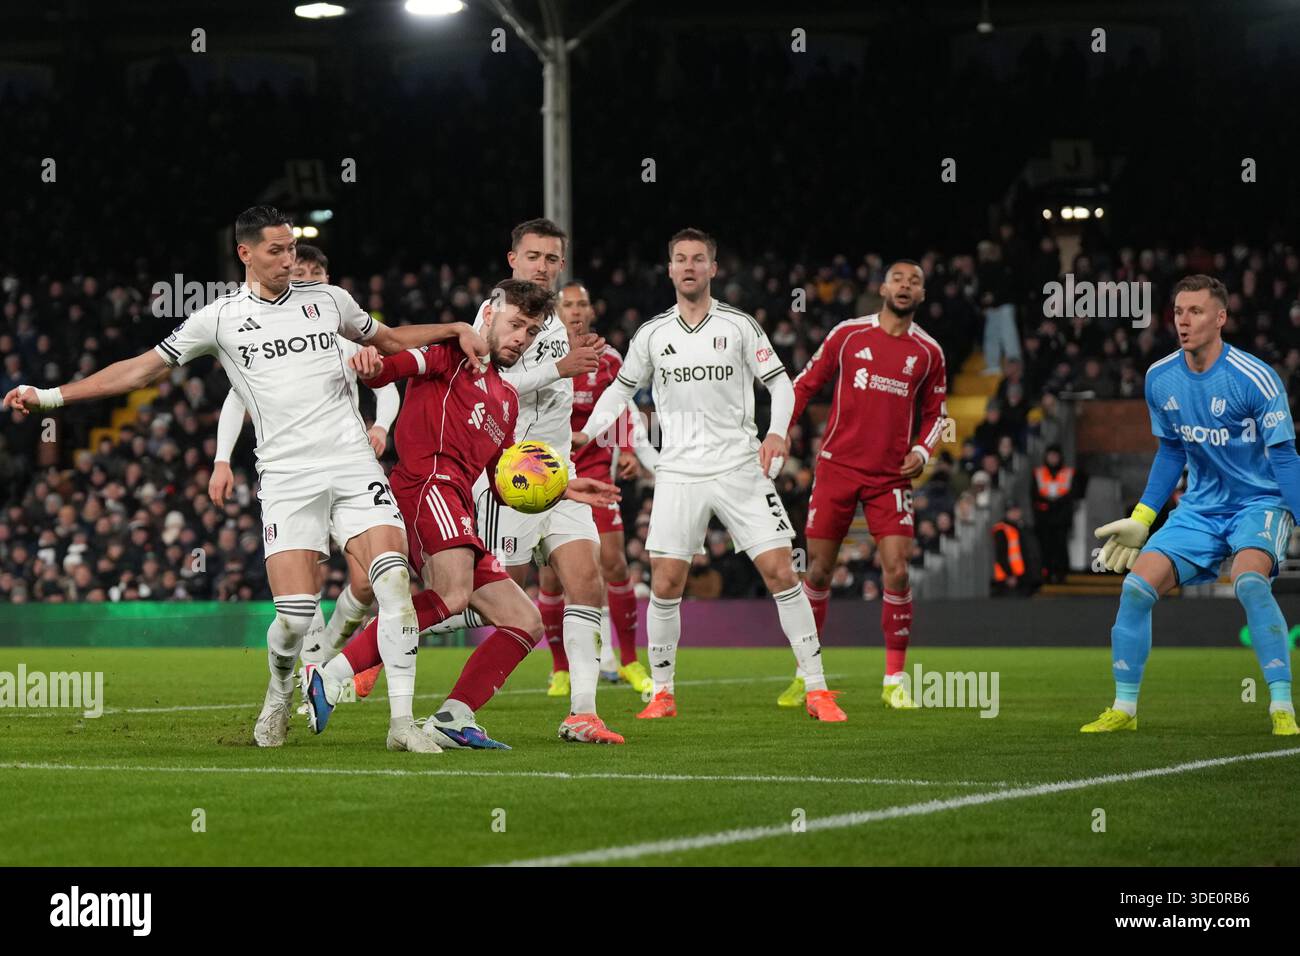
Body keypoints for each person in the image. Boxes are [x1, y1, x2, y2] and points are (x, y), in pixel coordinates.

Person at [3, 205, 480, 752]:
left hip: (352, 465)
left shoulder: (331, 302)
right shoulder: (219, 319)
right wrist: (51, 397)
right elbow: (140, 369)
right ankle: (279, 693)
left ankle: (402, 726)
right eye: (275, 251)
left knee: (393, 581)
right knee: (296, 619)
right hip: (286, 479)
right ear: (245, 254)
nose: (288, 261)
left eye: (292, 250)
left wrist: (453, 328)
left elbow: (392, 341)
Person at [305, 279, 623, 749]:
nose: (522, 337)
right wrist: (370, 363)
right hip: (425, 487)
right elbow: (384, 368)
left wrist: (566, 487)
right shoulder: (449, 354)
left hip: (461, 505)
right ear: (490, 316)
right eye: (515, 324)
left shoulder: (506, 398)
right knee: (451, 594)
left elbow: (504, 476)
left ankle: (454, 716)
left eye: (532, 331)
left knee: (524, 620)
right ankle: (333, 673)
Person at [576, 228, 844, 722]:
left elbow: (781, 384)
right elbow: (618, 392)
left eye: (699, 259)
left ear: (713, 269)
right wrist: (585, 435)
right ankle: (662, 691)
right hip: (679, 470)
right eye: (681, 259)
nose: (690, 267)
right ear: (671, 269)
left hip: (740, 465)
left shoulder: (740, 326)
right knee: (666, 581)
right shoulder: (653, 334)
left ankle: (817, 688)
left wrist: (777, 432)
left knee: (781, 570)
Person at [1086, 275, 1298, 736]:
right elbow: (1171, 451)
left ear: (1220, 317)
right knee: (1136, 589)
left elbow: (1284, 456)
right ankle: (1125, 708)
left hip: (1258, 502)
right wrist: (1143, 517)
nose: (1184, 321)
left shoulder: (1255, 378)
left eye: (1196, 311)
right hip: (1200, 508)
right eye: (1179, 311)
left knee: (1249, 583)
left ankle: (1281, 703)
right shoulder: (1159, 378)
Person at [209, 243, 398, 703]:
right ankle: (305, 670)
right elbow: (236, 398)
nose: (306, 276)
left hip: (349, 463)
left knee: (368, 582)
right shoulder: (254, 331)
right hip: (294, 471)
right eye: (301, 269)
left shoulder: (340, 323)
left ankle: (324, 657)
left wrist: (380, 426)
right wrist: (221, 458)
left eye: (316, 272)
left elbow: (387, 381)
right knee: (301, 591)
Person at [784, 260, 949, 709]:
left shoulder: (929, 352)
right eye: (898, 279)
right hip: (837, 467)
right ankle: (806, 672)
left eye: (914, 281)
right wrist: (780, 432)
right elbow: (804, 384)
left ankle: (895, 679)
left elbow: (937, 414)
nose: (905, 286)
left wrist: (923, 451)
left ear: (922, 295)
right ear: (882, 287)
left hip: (890, 475)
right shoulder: (849, 334)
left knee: (897, 569)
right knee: (817, 571)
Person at [546, 279, 657, 693]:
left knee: (614, 563)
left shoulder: (608, 358)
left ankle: (629, 660)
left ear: (591, 312)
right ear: (555, 312)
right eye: (567, 304)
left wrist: (626, 448)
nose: (575, 311)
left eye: (582, 304)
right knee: (552, 577)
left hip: (595, 467)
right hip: (550, 471)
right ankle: (559, 668)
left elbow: (622, 406)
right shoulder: (540, 354)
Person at [1032, 444, 1077, 584]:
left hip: (1061, 518)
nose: (1052, 459)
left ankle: (1061, 573)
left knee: (1061, 547)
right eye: (1050, 455)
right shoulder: (1038, 473)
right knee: (1045, 547)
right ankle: (1047, 573)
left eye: (1055, 456)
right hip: (1044, 518)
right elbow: (1033, 495)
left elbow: (1072, 495)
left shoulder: (1069, 473)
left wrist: (1056, 504)